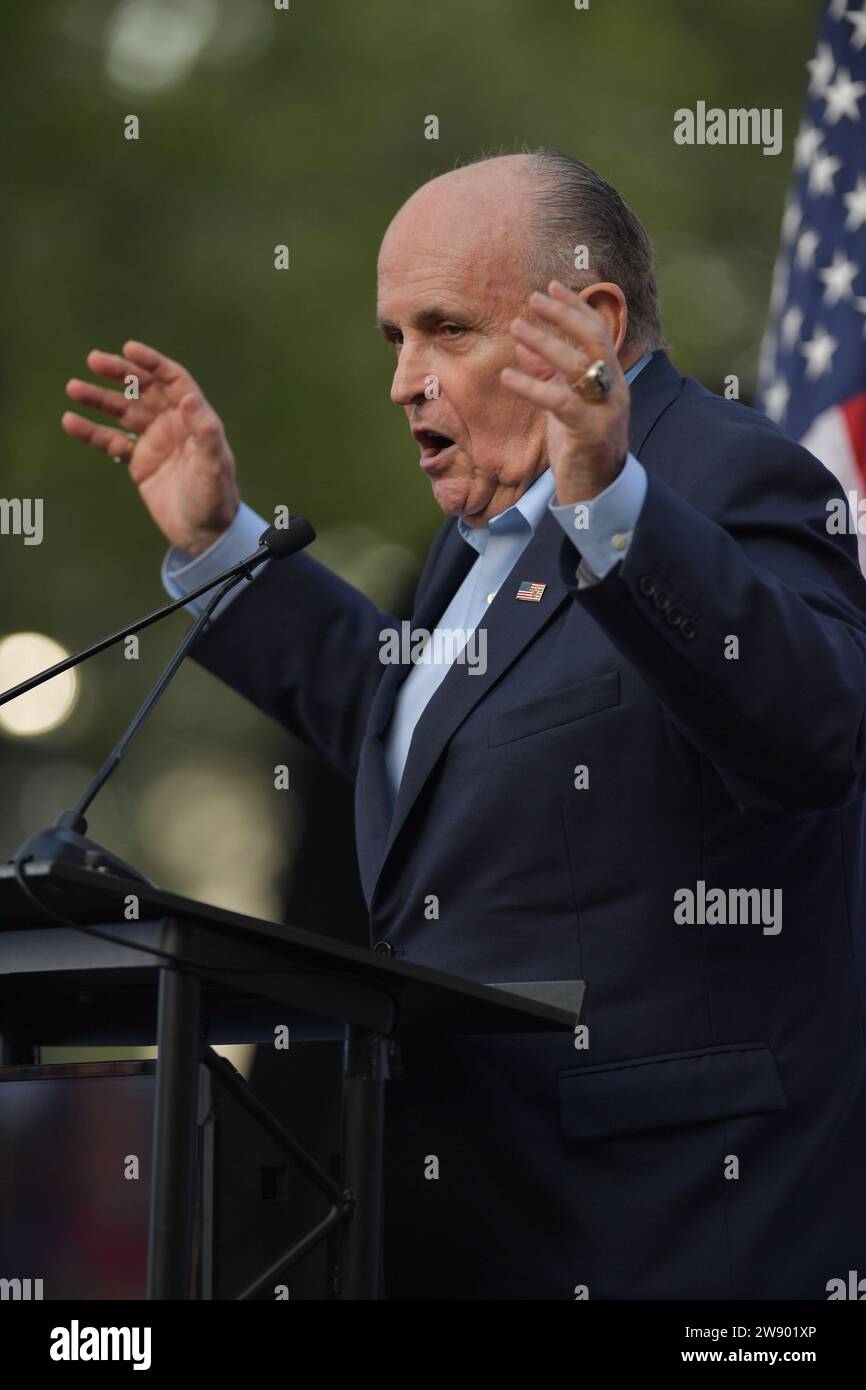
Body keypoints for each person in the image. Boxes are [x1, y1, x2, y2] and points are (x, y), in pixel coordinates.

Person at [61, 150, 866, 1300]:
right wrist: (223, 544)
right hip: (472, 1217)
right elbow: (427, 739)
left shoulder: (726, 477)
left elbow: (813, 731)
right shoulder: (474, 543)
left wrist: (611, 502)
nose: (403, 380)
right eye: (394, 338)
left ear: (588, 323)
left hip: (669, 1227)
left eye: (443, 330)